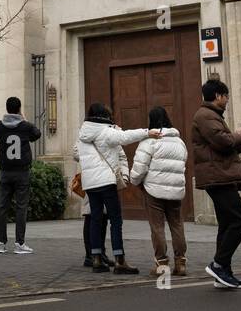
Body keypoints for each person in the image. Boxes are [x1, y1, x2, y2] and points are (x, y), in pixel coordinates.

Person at [76, 102, 156, 274]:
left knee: (95, 219)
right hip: (106, 181)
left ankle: (96, 258)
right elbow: (126, 137)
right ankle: (120, 260)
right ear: (104, 115)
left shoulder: (83, 133)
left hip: (90, 183)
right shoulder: (105, 132)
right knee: (116, 220)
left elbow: (77, 154)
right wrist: (147, 132)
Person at [190, 78, 241, 289]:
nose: (227, 100)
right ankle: (218, 265)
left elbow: (224, 145)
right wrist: (237, 137)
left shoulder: (210, 115)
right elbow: (223, 142)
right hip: (217, 177)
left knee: (227, 223)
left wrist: (240, 140)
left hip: (219, 174)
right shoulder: (206, 115)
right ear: (218, 96)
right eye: (226, 96)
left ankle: (223, 273)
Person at [128, 106, 188, 276]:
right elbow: (184, 162)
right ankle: (181, 262)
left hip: (154, 190)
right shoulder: (179, 141)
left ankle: (162, 264)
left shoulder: (149, 141)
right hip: (176, 191)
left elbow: (139, 169)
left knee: (157, 227)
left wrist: (134, 181)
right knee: (177, 225)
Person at [0, 96, 42, 254]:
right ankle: (19, 243)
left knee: (2, 207)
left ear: (7, 108)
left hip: (5, 171)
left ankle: (1, 242)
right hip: (22, 172)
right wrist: (24, 118)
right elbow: (37, 134)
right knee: (21, 207)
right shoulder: (25, 126)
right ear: (19, 108)